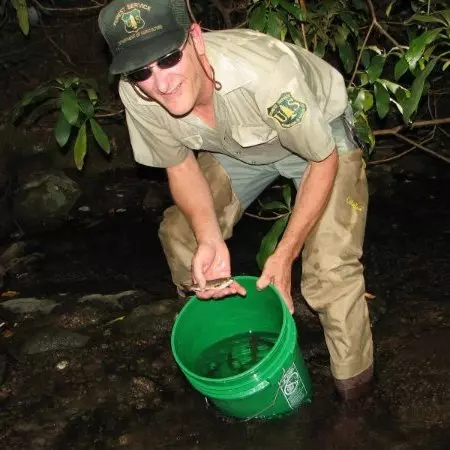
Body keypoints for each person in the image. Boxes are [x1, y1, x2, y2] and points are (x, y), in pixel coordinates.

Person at [98, 0, 373, 401]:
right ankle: (218, 335)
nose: (160, 83)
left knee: (329, 271)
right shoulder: (137, 94)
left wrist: (285, 254)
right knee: (181, 234)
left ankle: (357, 402)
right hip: (237, 146)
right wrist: (209, 237)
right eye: (141, 70)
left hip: (320, 141)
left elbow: (321, 158)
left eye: (169, 58)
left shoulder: (264, 72)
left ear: (194, 37)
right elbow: (180, 166)